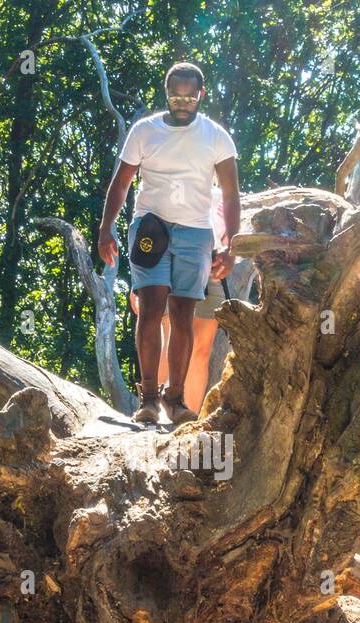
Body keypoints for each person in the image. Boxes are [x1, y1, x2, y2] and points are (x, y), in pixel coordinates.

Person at [97, 62, 240, 425]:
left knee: (182, 316)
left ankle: (175, 401)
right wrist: (106, 227)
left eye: (189, 96)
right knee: (150, 310)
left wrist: (230, 245)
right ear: (167, 93)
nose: (182, 102)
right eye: (176, 95)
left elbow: (230, 193)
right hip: (150, 230)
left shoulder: (217, 137)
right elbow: (122, 182)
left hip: (195, 234)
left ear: (200, 95)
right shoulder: (145, 131)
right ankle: (147, 399)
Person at [130, 189, 231, 415]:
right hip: (166, 262)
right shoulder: (163, 179)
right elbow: (146, 233)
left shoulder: (224, 194)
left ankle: (186, 416)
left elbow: (231, 243)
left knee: (201, 351)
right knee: (166, 335)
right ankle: (151, 407)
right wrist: (136, 285)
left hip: (212, 268)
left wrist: (227, 240)